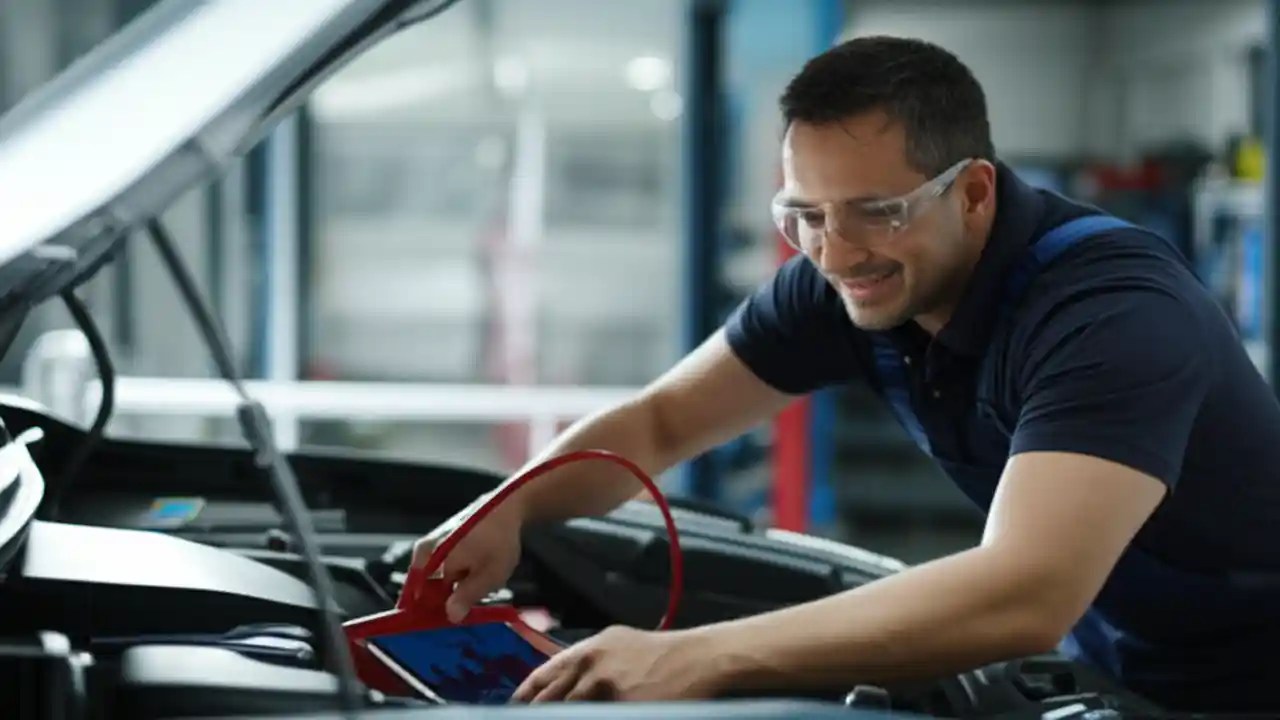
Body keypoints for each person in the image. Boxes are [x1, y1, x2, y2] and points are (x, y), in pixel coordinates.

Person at [408, 36, 1280, 713]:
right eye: (804, 215)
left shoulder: (1110, 314)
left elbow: (1026, 591)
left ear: (973, 194)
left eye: (877, 212)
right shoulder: (846, 276)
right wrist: (506, 508)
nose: (835, 250)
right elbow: (662, 423)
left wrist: (691, 656)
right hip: (1123, 670)